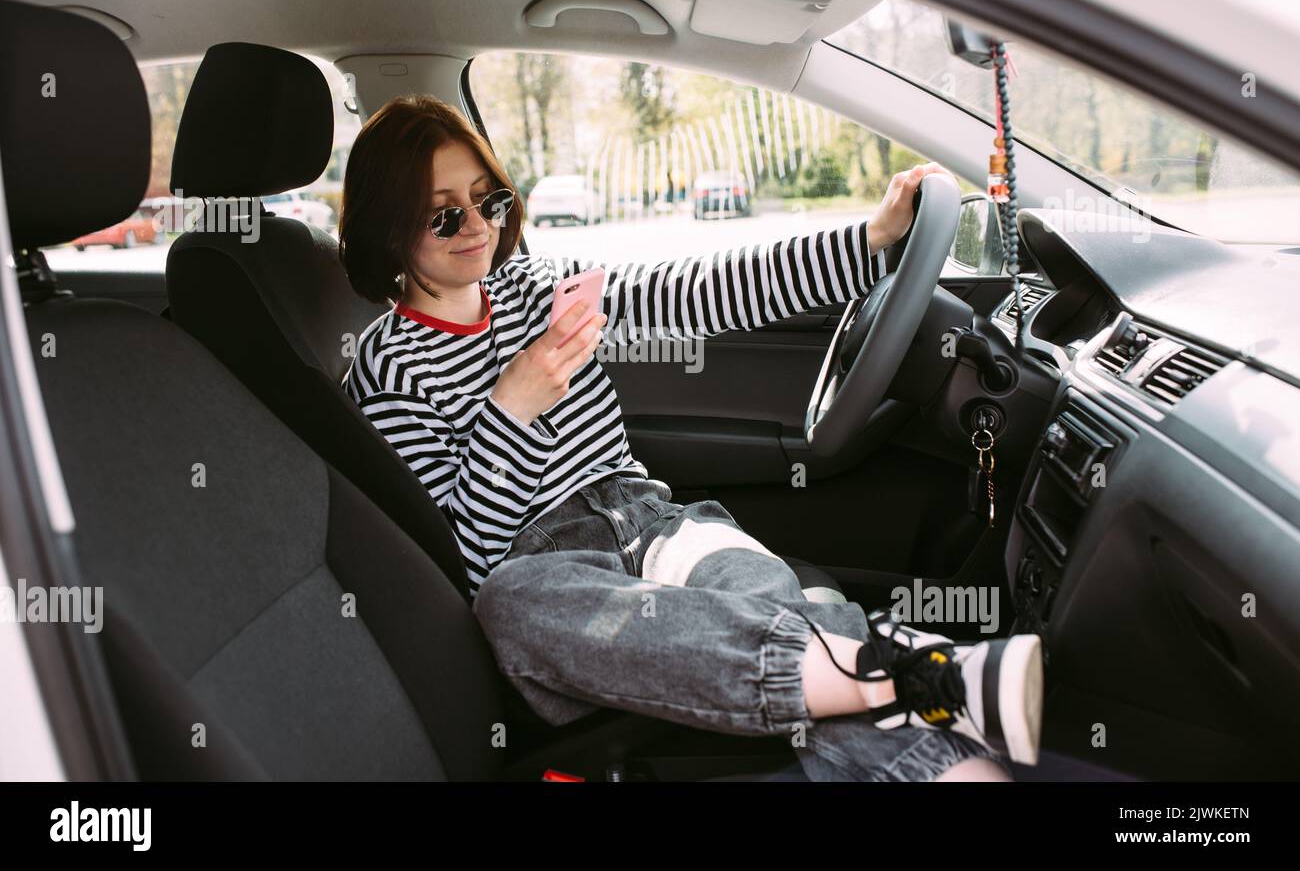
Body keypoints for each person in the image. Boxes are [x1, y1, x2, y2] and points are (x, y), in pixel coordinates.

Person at [338, 94, 1043, 782]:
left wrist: (866, 242)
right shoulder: (387, 368)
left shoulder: (532, 285)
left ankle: (886, 678)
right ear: (390, 228)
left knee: (781, 616)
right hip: (548, 570)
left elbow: (693, 290)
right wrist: (512, 408)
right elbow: (467, 552)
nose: (477, 226)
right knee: (509, 604)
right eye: (443, 215)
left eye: (488, 200)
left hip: (658, 525)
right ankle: (904, 676)